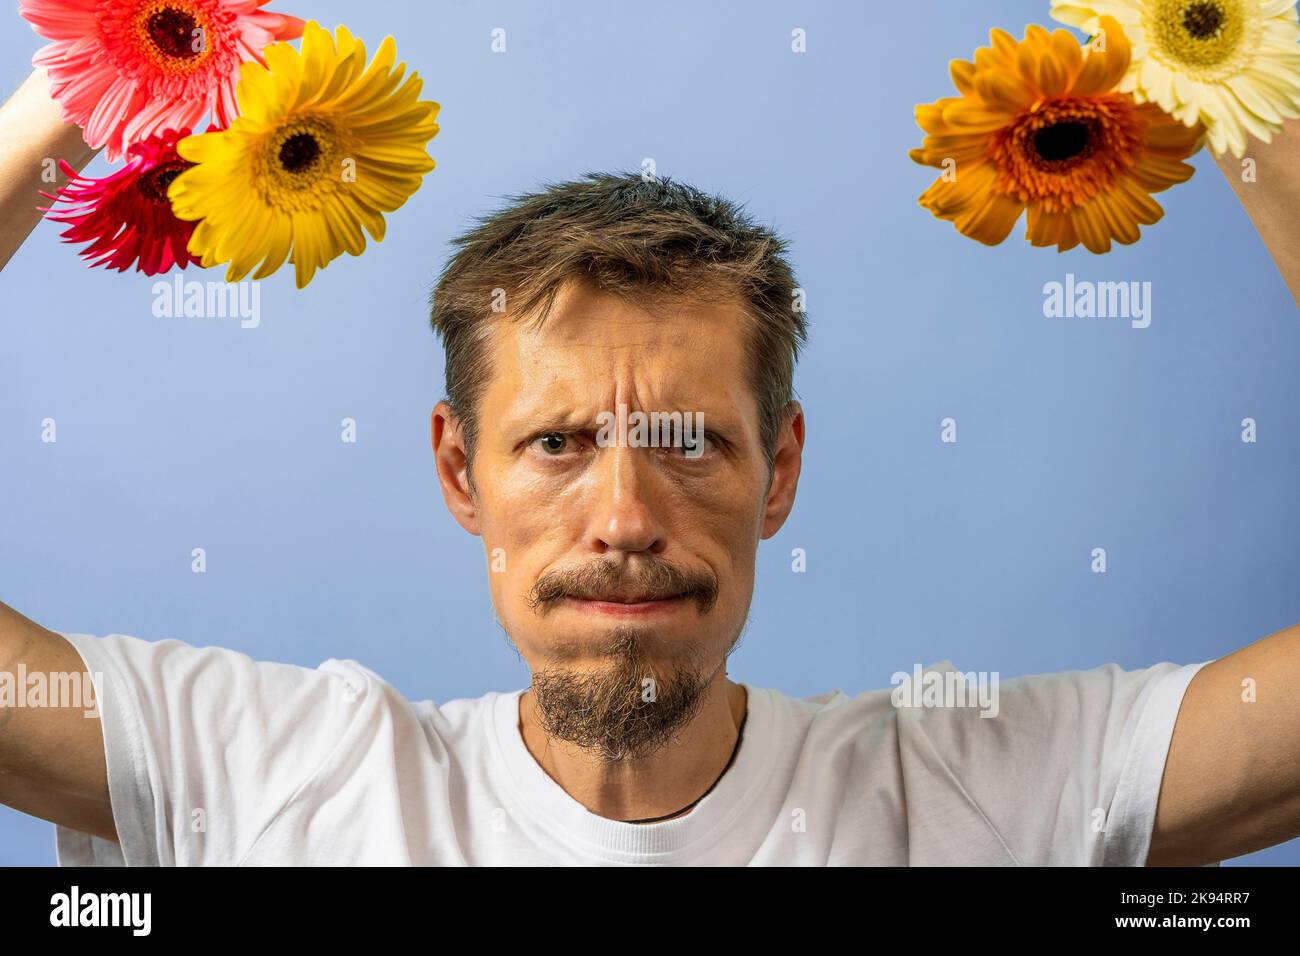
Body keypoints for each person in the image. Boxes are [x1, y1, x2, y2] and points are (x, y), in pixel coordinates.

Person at [2, 67, 1298, 866]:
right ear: (459, 472)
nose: (624, 517)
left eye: (689, 444)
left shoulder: (979, 793)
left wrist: (1233, 77)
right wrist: (91, 84)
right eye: (557, 444)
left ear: (780, 469)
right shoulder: (276, 774)